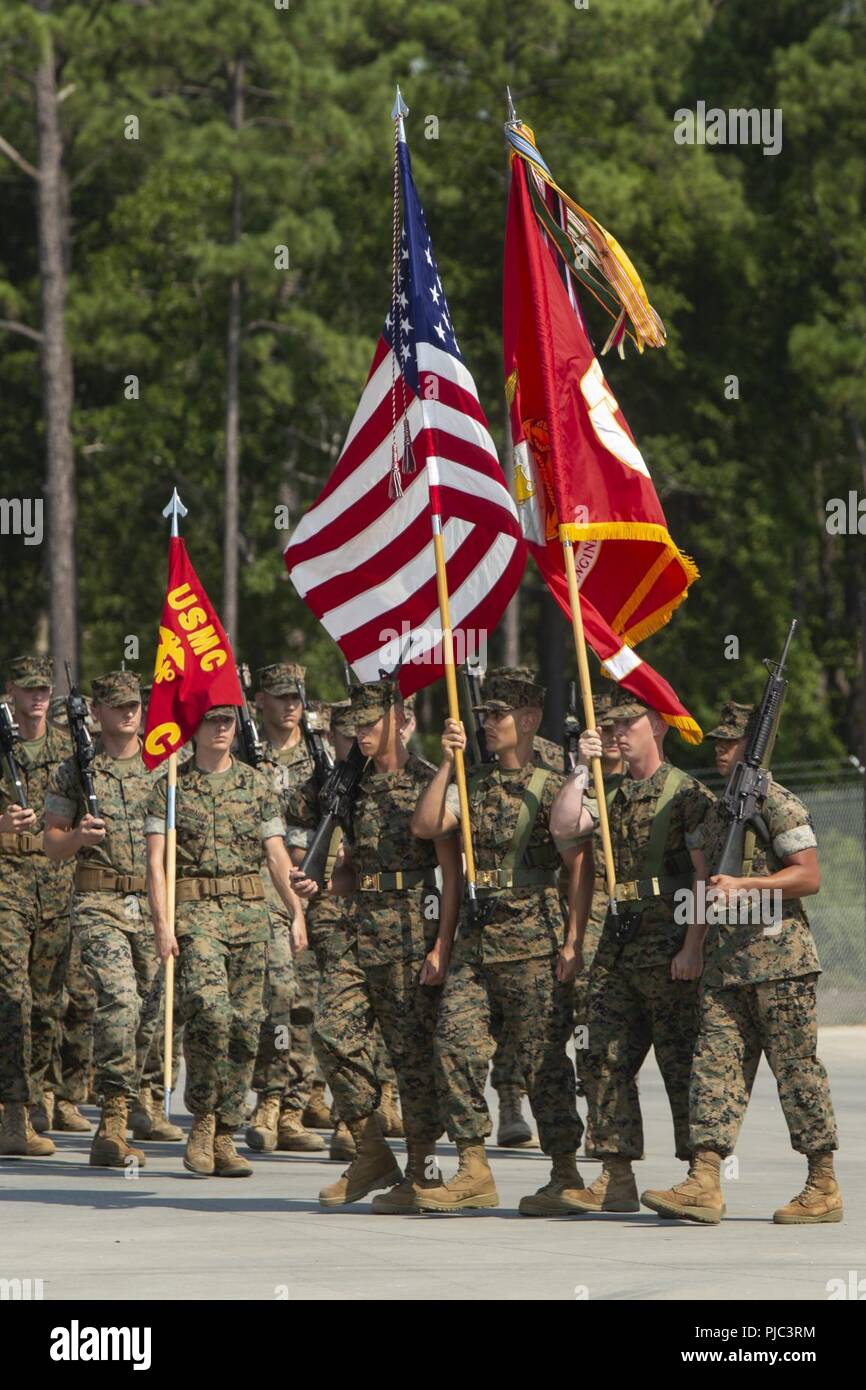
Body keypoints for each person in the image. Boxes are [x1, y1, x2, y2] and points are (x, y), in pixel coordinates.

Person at [642, 701, 842, 1224]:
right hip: (726, 968)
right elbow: (707, 886)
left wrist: (750, 885)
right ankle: (704, 1180)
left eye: (732, 742)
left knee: (796, 1073)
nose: (722, 751)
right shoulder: (713, 812)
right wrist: (693, 946)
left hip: (781, 965)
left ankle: (823, 1185)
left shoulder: (778, 803)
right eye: (718, 743)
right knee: (712, 1070)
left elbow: (809, 877)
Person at [411, 667, 588, 1215]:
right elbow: (426, 825)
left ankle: (564, 1173)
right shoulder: (474, 783)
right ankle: (473, 1167)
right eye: (484, 715)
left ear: (529, 720)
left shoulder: (552, 787)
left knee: (543, 1063)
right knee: (454, 1048)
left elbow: (579, 868)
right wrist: (448, 761)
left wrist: (574, 940)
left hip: (534, 943)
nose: (487, 723)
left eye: (498, 715)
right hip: (475, 946)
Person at [292, 677, 462, 1213]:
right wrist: (320, 882)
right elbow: (352, 872)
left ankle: (420, 1171)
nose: (361, 735)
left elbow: (452, 876)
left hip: (413, 930)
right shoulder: (353, 785)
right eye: (354, 727)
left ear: (397, 719)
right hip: (357, 929)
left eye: (370, 724)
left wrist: (442, 946)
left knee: (411, 1059)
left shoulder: (426, 782)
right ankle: (370, 1150)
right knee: (330, 1034)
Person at [548, 695, 714, 1214]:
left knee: (681, 1061)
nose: (618, 731)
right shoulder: (608, 789)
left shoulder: (687, 795)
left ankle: (701, 1176)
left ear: (659, 725)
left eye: (628, 722)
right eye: (612, 723)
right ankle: (615, 1176)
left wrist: (693, 946)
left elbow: (706, 878)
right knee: (602, 1056)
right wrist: (580, 768)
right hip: (618, 947)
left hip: (669, 943)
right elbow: (563, 826)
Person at [145, 704, 306, 1178]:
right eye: (211, 720)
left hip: (250, 917)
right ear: (193, 725)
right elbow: (157, 863)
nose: (220, 728)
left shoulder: (256, 785)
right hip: (196, 916)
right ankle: (203, 1118)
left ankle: (226, 1132)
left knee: (245, 1024)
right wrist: (161, 923)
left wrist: (295, 911)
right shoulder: (171, 786)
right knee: (210, 1012)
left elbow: (276, 856)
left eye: (228, 721)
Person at [44, 669, 182, 1165]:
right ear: (96, 712)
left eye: (135, 703)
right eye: (118, 705)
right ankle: (112, 1124)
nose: (130, 712)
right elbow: (51, 843)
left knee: (148, 1014)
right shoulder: (76, 769)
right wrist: (78, 837)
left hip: (152, 904)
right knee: (120, 1001)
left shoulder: (165, 763)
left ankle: (131, 1108)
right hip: (99, 902)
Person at [245, 662, 325, 1155]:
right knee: (274, 997)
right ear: (260, 701)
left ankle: (295, 1106)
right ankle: (268, 1099)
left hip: (315, 888)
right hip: (262, 890)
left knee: (306, 1002)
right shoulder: (244, 754)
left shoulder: (320, 758)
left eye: (296, 695)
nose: (291, 704)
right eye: (280, 696)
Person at [0, 656, 73, 1157]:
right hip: (6, 878)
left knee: (49, 1001)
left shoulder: (70, 750)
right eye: (28, 690)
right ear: (11, 692)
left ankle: (39, 1093)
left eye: (44, 689)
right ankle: (13, 1111)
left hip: (57, 881)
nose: (38, 698)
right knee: (12, 995)